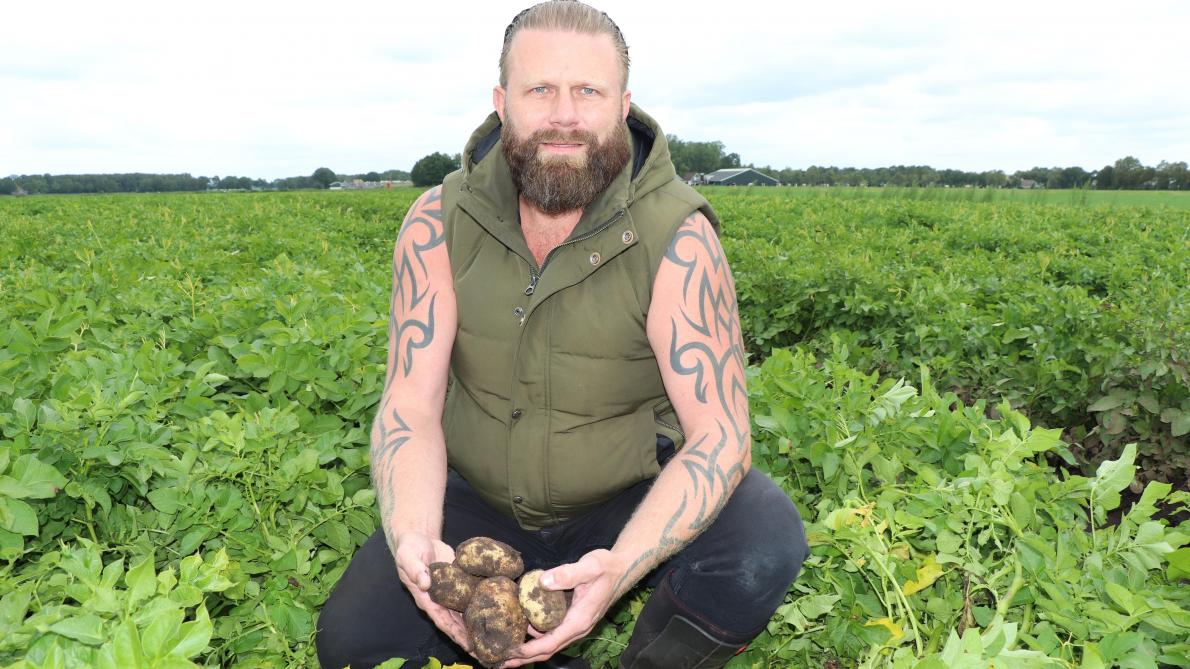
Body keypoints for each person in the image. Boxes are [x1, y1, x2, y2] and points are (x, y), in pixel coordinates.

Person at [315, 2, 808, 667]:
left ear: (623, 104)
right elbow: (409, 407)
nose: (565, 114)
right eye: (540, 89)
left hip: (619, 497)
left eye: (588, 91)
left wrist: (618, 568)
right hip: (478, 498)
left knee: (762, 536)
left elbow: (720, 436)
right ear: (502, 101)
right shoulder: (437, 221)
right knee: (355, 644)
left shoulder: (677, 237)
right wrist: (412, 536)